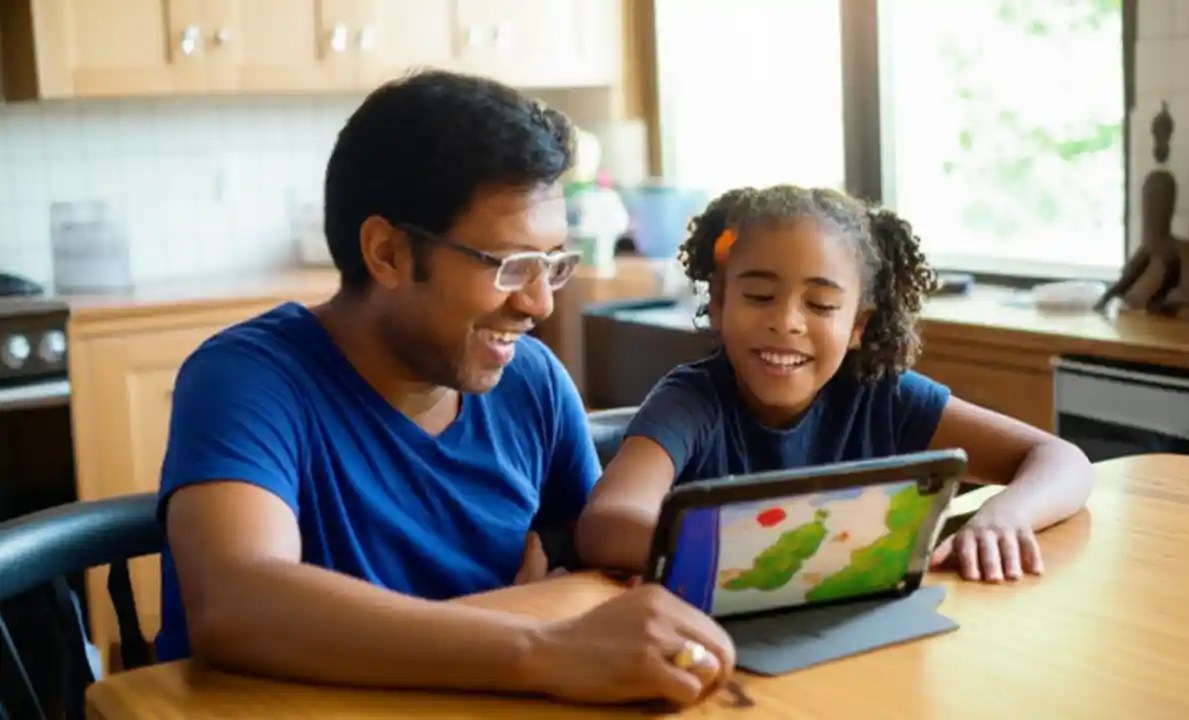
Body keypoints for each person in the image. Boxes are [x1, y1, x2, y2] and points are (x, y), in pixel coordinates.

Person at [155, 70, 734, 708]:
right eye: (512, 265)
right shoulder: (248, 378)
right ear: (387, 253)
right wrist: (541, 646)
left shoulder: (531, 380)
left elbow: (597, 565)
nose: (539, 303)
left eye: (551, 264)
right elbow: (237, 601)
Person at [576, 185, 1095, 582]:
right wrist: (759, 553)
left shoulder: (883, 395)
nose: (787, 322)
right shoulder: (691, 402)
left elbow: (1061, 459)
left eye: (821, 305)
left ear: (858, 325)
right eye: (759, 297)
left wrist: (1004, 515)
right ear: (718, 302)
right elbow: (607, 523)